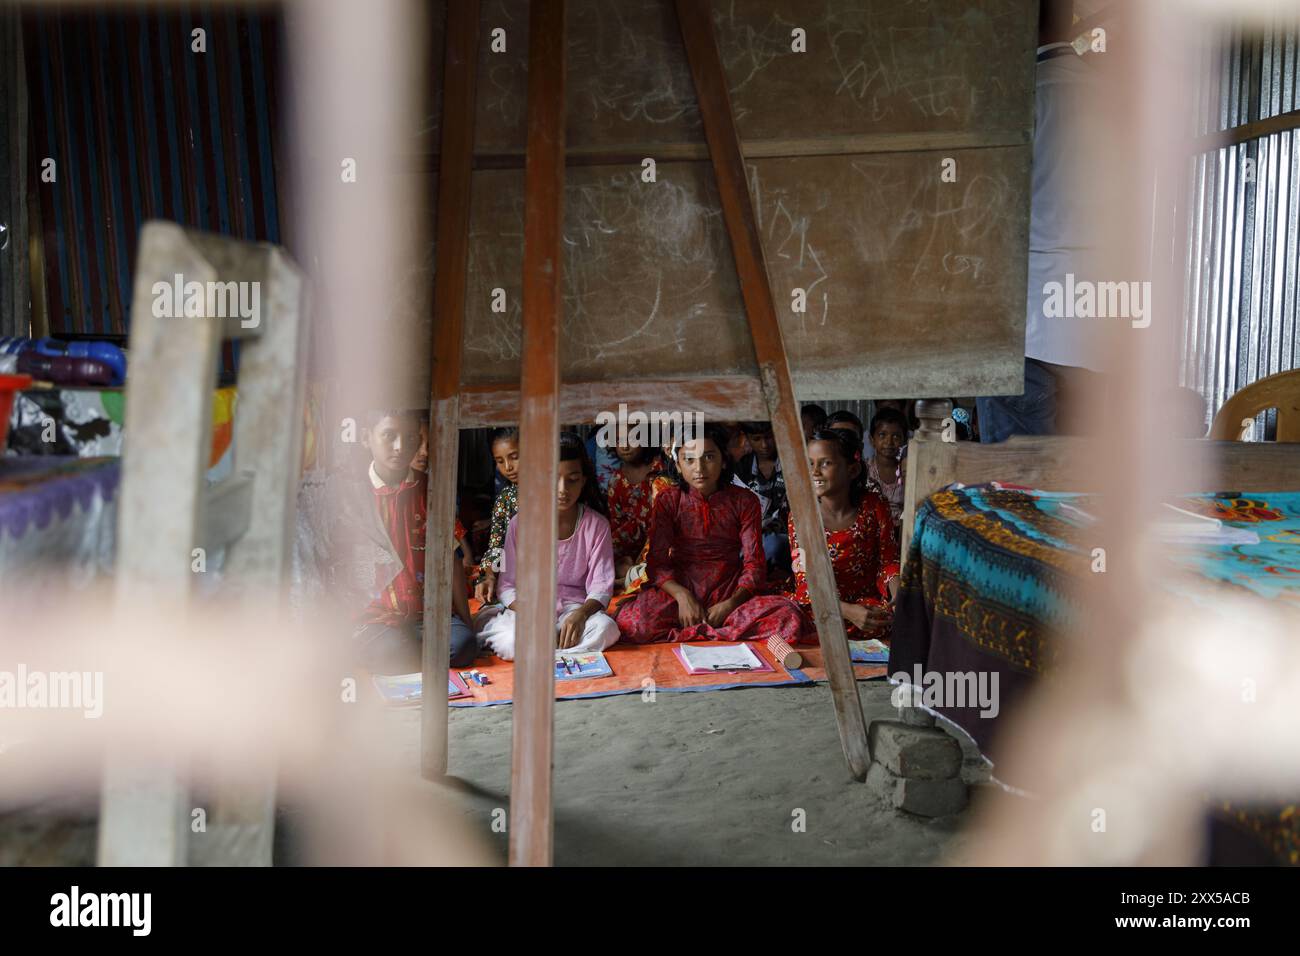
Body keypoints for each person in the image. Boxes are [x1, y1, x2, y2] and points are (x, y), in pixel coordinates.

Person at [976, 0, 1109, 442]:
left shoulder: (1018, 96)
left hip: (1026, 323)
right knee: (1087, 485)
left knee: (1017, 486)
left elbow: (989, 208)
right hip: (1098, 318)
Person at [614, 423, 804, 644]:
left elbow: (754, 565)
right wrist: (683, 596)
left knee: (790, 617)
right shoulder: (668, 500)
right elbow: (657, 563)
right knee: (632, 623)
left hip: (729, 587)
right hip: (680, 587)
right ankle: (721, 632)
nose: (700, 469)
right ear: (677, 465)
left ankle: (693, 632)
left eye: (709, 457)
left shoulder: (744, 500)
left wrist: (730, 604)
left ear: (723, 461)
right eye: (689, 459)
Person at [349, 409, 477, 673]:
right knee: (392, 652)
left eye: (409, 438)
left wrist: (466, 621)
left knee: (463, 646)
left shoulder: (431, 490)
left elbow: (450, 561)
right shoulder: (349, 493)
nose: (400, 447)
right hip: (374, 616)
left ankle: (407, 651)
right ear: (365, 438)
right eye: (389, 436)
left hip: (425, 614)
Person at [474, 433, 620, 661]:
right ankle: (565, 654)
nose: (563, 489)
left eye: (572, 479)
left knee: (606, 629)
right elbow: (508, 585)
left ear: (583, 480)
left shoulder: (597, 525)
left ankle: (550, 653)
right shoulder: (521, 523)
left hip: (573, 610)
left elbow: (601, 585)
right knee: (513, 641)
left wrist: (581, 614)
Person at [788, 427, 900, 642]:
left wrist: (898, 592)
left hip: (866, 603)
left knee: (888, 618)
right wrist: (848, 611)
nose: (814, 472)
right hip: (821, 606)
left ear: (852, 470)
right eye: (810, 463)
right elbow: (805, 583)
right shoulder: (801, 516)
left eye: (825, 463)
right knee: (793, 620)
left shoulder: (874, 506)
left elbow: (888, 561)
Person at [605, 440, 676, 587]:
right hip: (631, 537)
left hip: (657, 535)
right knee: (603, 550)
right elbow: (616, 521)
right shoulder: (616, 480)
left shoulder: (660, 471)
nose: (625, 446)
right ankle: (627, 571)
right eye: (618, 440)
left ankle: (631, 576)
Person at [735, 421, 791, 572]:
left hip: (786, 538)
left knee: (775, 545)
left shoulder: (792, 464)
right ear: (747, 438)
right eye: (757, 439)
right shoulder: (741, 468)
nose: (764, 445)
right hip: (749, 537)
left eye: (769, 437)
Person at [475, 427, 520, 604]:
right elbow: (496, 545)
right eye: (500, 461)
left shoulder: (558, 491)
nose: (508, 467)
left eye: (514, 457)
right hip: (515, 579)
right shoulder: (506, 498)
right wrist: (488, 576)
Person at [865, 407, 908, 528]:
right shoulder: (864, 470)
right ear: (872, 439)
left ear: (904, 440)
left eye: (896, 436)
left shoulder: (907, 471)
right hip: (871, 530)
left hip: (901, 530)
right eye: (882, 435)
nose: (889, 442)